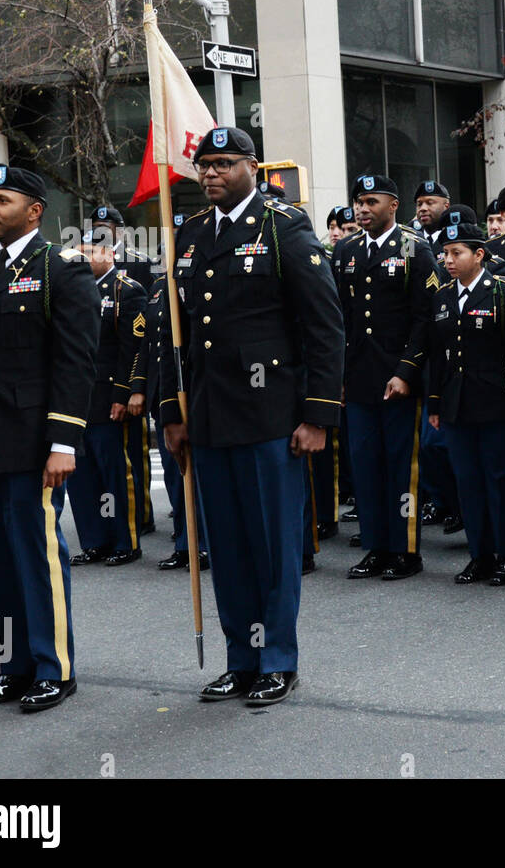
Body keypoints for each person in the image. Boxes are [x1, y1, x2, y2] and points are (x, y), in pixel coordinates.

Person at [160, 126, 343, 705]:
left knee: (272, 544)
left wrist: (316, 415)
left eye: (222, 164)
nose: (210, 174)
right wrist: (173, 411)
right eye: (203, 166)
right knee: (229, 547)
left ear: (252, 167)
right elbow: (173, 337)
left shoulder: (283, 227)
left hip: (270, 417)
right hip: (210, 418)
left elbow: (324, 326)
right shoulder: (189, 235)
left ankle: (277, 659)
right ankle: (240, 658)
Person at [0, 163, 99, 711]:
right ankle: (13, 667)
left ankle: (53, 668)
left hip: (33, 441)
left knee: (36, 554)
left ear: (34, 211)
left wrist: (64, 443)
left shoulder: (62, 268)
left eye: (2, 200)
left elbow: (75, 361)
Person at [332, 173, 438, 582]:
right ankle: (376, 545)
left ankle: (405, 549)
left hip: (397, 378)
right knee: (365, 464)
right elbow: (339, 317)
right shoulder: (345, 250)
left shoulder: (414, 246)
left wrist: (407, 371)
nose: (362, 208)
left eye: (371, 201)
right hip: (359, 377)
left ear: (393, 206)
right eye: (358, 201)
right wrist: (338, 376)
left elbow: (425, 316)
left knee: (400, 466)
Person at [426, 223, 505, 585]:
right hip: (457, 405)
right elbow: (438, 357)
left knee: (498, 481)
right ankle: (479, 555)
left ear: (479, 255)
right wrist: (436, 405)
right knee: (468, 483)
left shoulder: (503, 291)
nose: (449, 260)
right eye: (445, 253)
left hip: (497, 404)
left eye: (456, 253)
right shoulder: (442, 296)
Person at [66, 241, 146, 568]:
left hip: (108, 397)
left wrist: (123, 394)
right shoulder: (71, 289)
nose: (85, 258)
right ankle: (94, 540)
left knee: (114, 473)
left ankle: (124, 541)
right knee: (82, 478)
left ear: (110, 254)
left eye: (91, 252)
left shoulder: (127, 290)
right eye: (79, 253)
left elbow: (133, 347)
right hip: (76, 399)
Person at [130, 271, 209, 571]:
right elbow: (148, 345)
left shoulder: (196, 279)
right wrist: (138, 387)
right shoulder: (159, 287)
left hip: (193, 394)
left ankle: (204, 545)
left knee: (200, 478)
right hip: (163, 395)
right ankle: (185, 542)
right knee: (176, 476)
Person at [91, 205, 157, 536]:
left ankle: (141, 513)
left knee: (134, 452)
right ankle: (111, 519)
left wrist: (136, 384)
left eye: (108, 226)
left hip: (128, 367)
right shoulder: (85, 264)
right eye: (97, 226)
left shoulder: (140, 264)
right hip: (99, 378)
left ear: (121, 230)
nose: (104, 231)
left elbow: (142, 330)